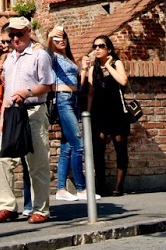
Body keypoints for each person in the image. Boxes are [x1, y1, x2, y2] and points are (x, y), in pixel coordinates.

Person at [0, 16, 55, 223]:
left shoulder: (39, 55)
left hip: (34, 110)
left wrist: (27, 92)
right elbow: (7, 90)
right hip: (11, 113)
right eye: (12, 35)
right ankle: (7, 206)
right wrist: (2, 118)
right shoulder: (10, 58)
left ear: (28, 31)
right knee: (3, 160)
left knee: (36, 163)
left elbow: (48, 85)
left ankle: (40, 209)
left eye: (19, 34)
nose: (15, 38)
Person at [0, 31, 31, 216]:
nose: (6, 44)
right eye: (3, 41)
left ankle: (30, 204)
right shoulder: (5, 58)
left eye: (8, 40)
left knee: (28, 159)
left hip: (26, 109)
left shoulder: (28, 55)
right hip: (7, 111)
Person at [80, 35, 130, 196]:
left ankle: (119, 186)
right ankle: (100, 186)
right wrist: (87, 114)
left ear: (109, 49)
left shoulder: (116, 63)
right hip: (99, 112)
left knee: (120, 146)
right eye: (95, 46)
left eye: (101, 46)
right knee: (98, 149)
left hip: (116, 111)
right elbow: (90, 93)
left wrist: (109, 67)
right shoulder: (93, 68)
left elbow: (123, 81)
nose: (97, 49)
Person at [47, 24, 86, 201]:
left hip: (74, 97)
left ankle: (61, 189)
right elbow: (45, 53)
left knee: (68, 146)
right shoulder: (52, 56)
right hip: (62, 98)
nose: (60, 40)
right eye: (57, 38)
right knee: (78, 144)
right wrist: (50, 37)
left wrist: (83, 69)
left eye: (63, 37)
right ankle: (81, 188)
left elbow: (79, 84)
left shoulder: (67, 57)